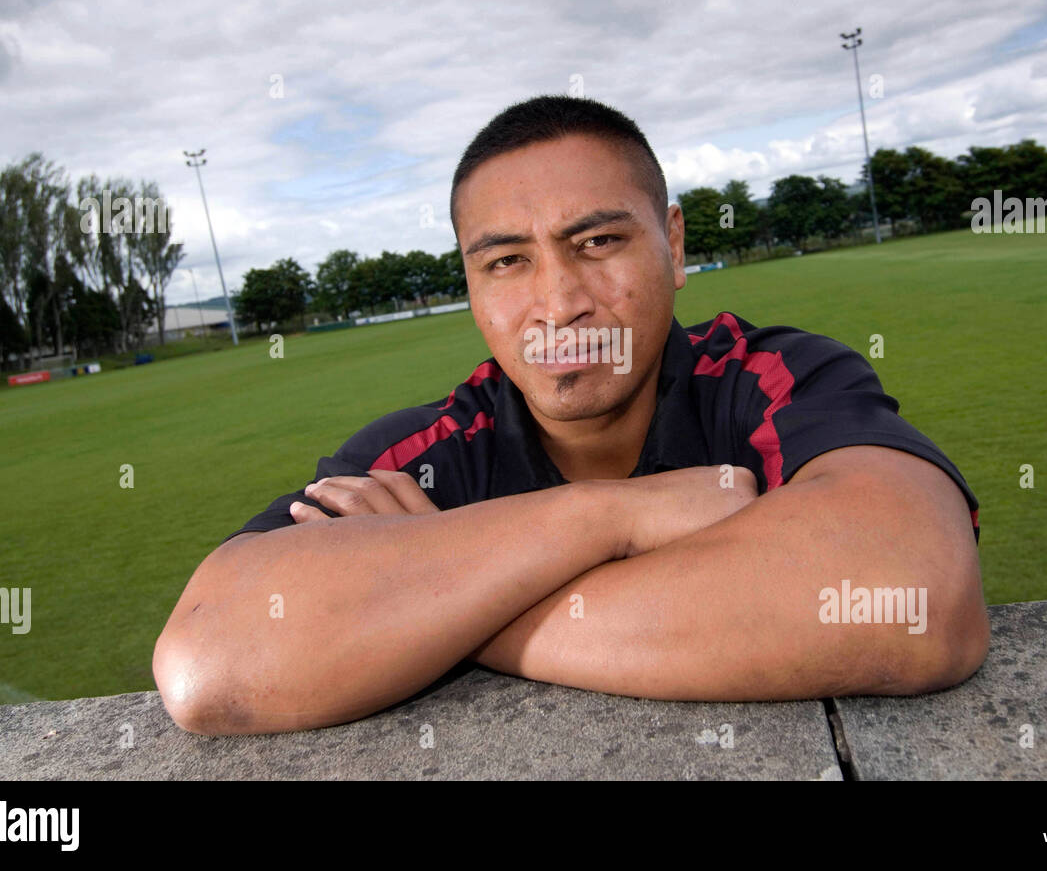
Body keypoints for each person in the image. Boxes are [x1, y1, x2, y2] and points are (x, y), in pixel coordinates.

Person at [153, 95, 989, 736]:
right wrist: (607, 516)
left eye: (598, 243)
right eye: (508, 261)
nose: (559, 303)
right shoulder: (423, 454)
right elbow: (208, 663)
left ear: (675, 244)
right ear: (473, 289)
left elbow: (910, 596)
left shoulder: (771, 377)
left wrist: (439, 605)